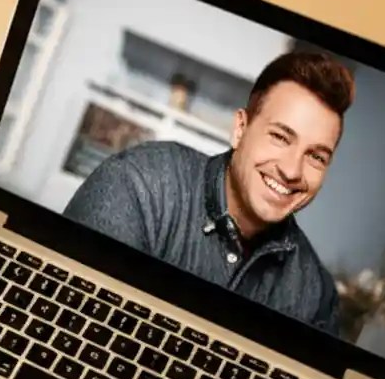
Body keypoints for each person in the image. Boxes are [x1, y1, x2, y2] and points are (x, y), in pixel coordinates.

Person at [63, 51, 355, 336]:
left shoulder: (316, 298)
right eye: (280, 137)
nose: (292, 171)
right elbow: (76, 325)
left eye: (316, 157)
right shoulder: (139, 184)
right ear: (240, 129)